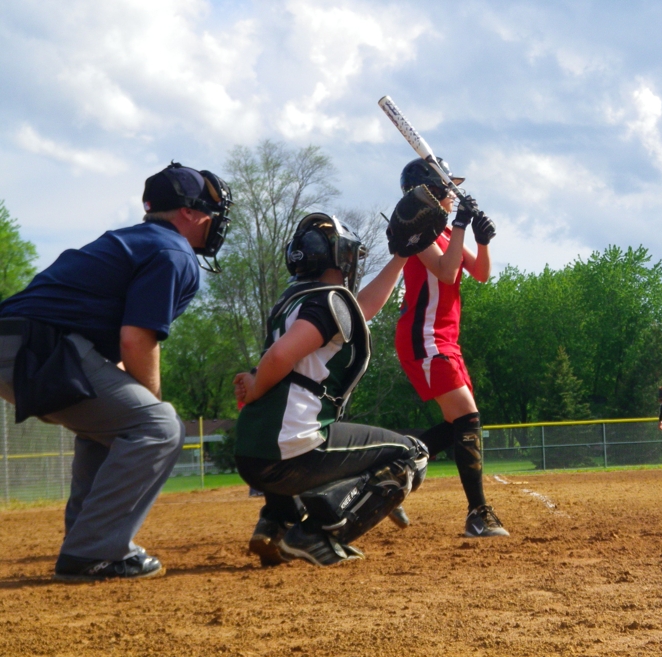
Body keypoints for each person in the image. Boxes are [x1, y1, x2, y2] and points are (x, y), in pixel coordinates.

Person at [0, 162, 233, 581]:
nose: (213, 222)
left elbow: (121, 354)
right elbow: (136, 340)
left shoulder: (141, 240)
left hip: (28, 344)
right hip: (39, 348)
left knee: (115, 425)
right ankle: (92, 551)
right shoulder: (173, 252)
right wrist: (151, 407)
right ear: (186, 212)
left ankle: (87, 543)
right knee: (158, 425)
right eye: (208, 212)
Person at [234, 213, 428, 567]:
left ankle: (274, 523)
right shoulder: (326, 301)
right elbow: (280, 355)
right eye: (349, 256)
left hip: (253, 451)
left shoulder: (295, 300)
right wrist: (258, 387)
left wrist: (400, 255)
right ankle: (316, 534)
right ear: (336, 258)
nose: (352, 264)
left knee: (310, 431)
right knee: (412, 454)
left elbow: (363, 308)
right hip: (290, 448)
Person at [392, 158, 509, 537]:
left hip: (445, 338)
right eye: (446, 188)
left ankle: (383, 479)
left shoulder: (443, 232)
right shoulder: (417, 232)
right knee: (468, 417)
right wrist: (459, 223)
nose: (450, 195)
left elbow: (481, 273)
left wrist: (481, 239)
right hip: (423, 336)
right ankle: (478, 512)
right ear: (431, 192)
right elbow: (444, 270)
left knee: (454, 424)